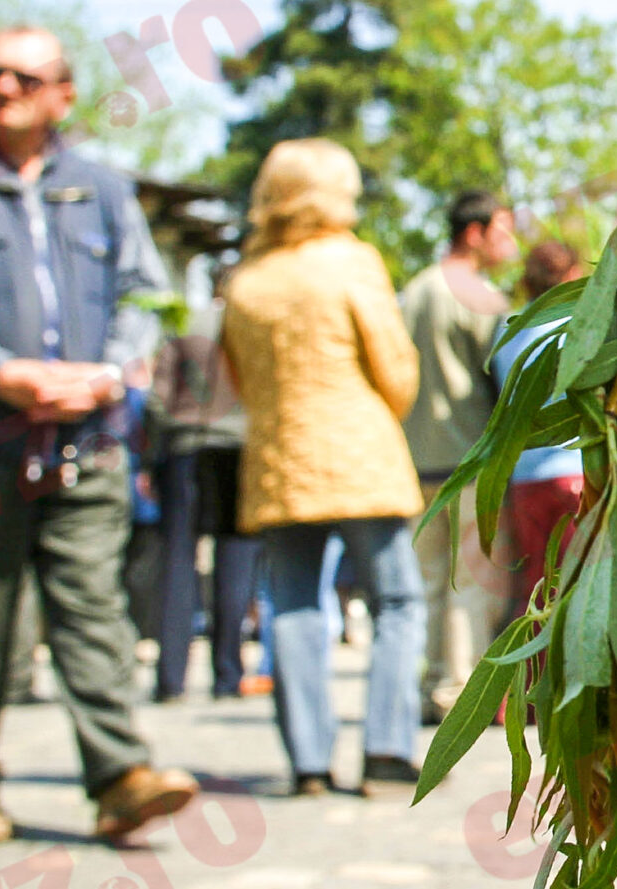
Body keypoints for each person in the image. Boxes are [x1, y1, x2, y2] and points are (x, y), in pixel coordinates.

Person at [0, 25, 198, 841]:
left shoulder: (104, 188)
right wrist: (2, 374)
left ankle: (120, 775)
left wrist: (108, 371)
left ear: (63, 93)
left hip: (85, 442)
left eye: (24, 77)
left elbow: (145, 294)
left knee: (93, 611)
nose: (2, 87)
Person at [221, 138, 427, 798]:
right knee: (396, 599)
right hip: (359, 452)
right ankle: (386, 750)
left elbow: (239, 379)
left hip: (277, 459)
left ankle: (308, 760)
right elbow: (395, 368)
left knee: (293, 606)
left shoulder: (246, 279)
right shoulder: (351, 261)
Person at [401, 190, 515, 724]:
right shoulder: (481, 297)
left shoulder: (412, 291)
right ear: (474, 233)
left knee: (427, 580)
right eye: (502, 230)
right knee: (472, 579)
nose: (509, 242)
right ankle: (462, 691)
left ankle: (428, 686)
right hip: (472, 461)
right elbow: (506, 376)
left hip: (415, 460)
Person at [146, 293, 260, 702]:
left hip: (184, 449)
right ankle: (228, 675)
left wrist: (154, 454)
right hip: (239, 449)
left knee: (177, 562)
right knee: (236, 564)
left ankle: (170, 679)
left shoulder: (186, 323)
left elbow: (157, 397)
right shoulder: (254, 324)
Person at [492, 241, 587, 617]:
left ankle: (536, 655)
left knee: (537, 588)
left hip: (525, 478)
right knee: (579, 586)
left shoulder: (509, 331)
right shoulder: (577, 324)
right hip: (575, 471)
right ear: (570, 276)